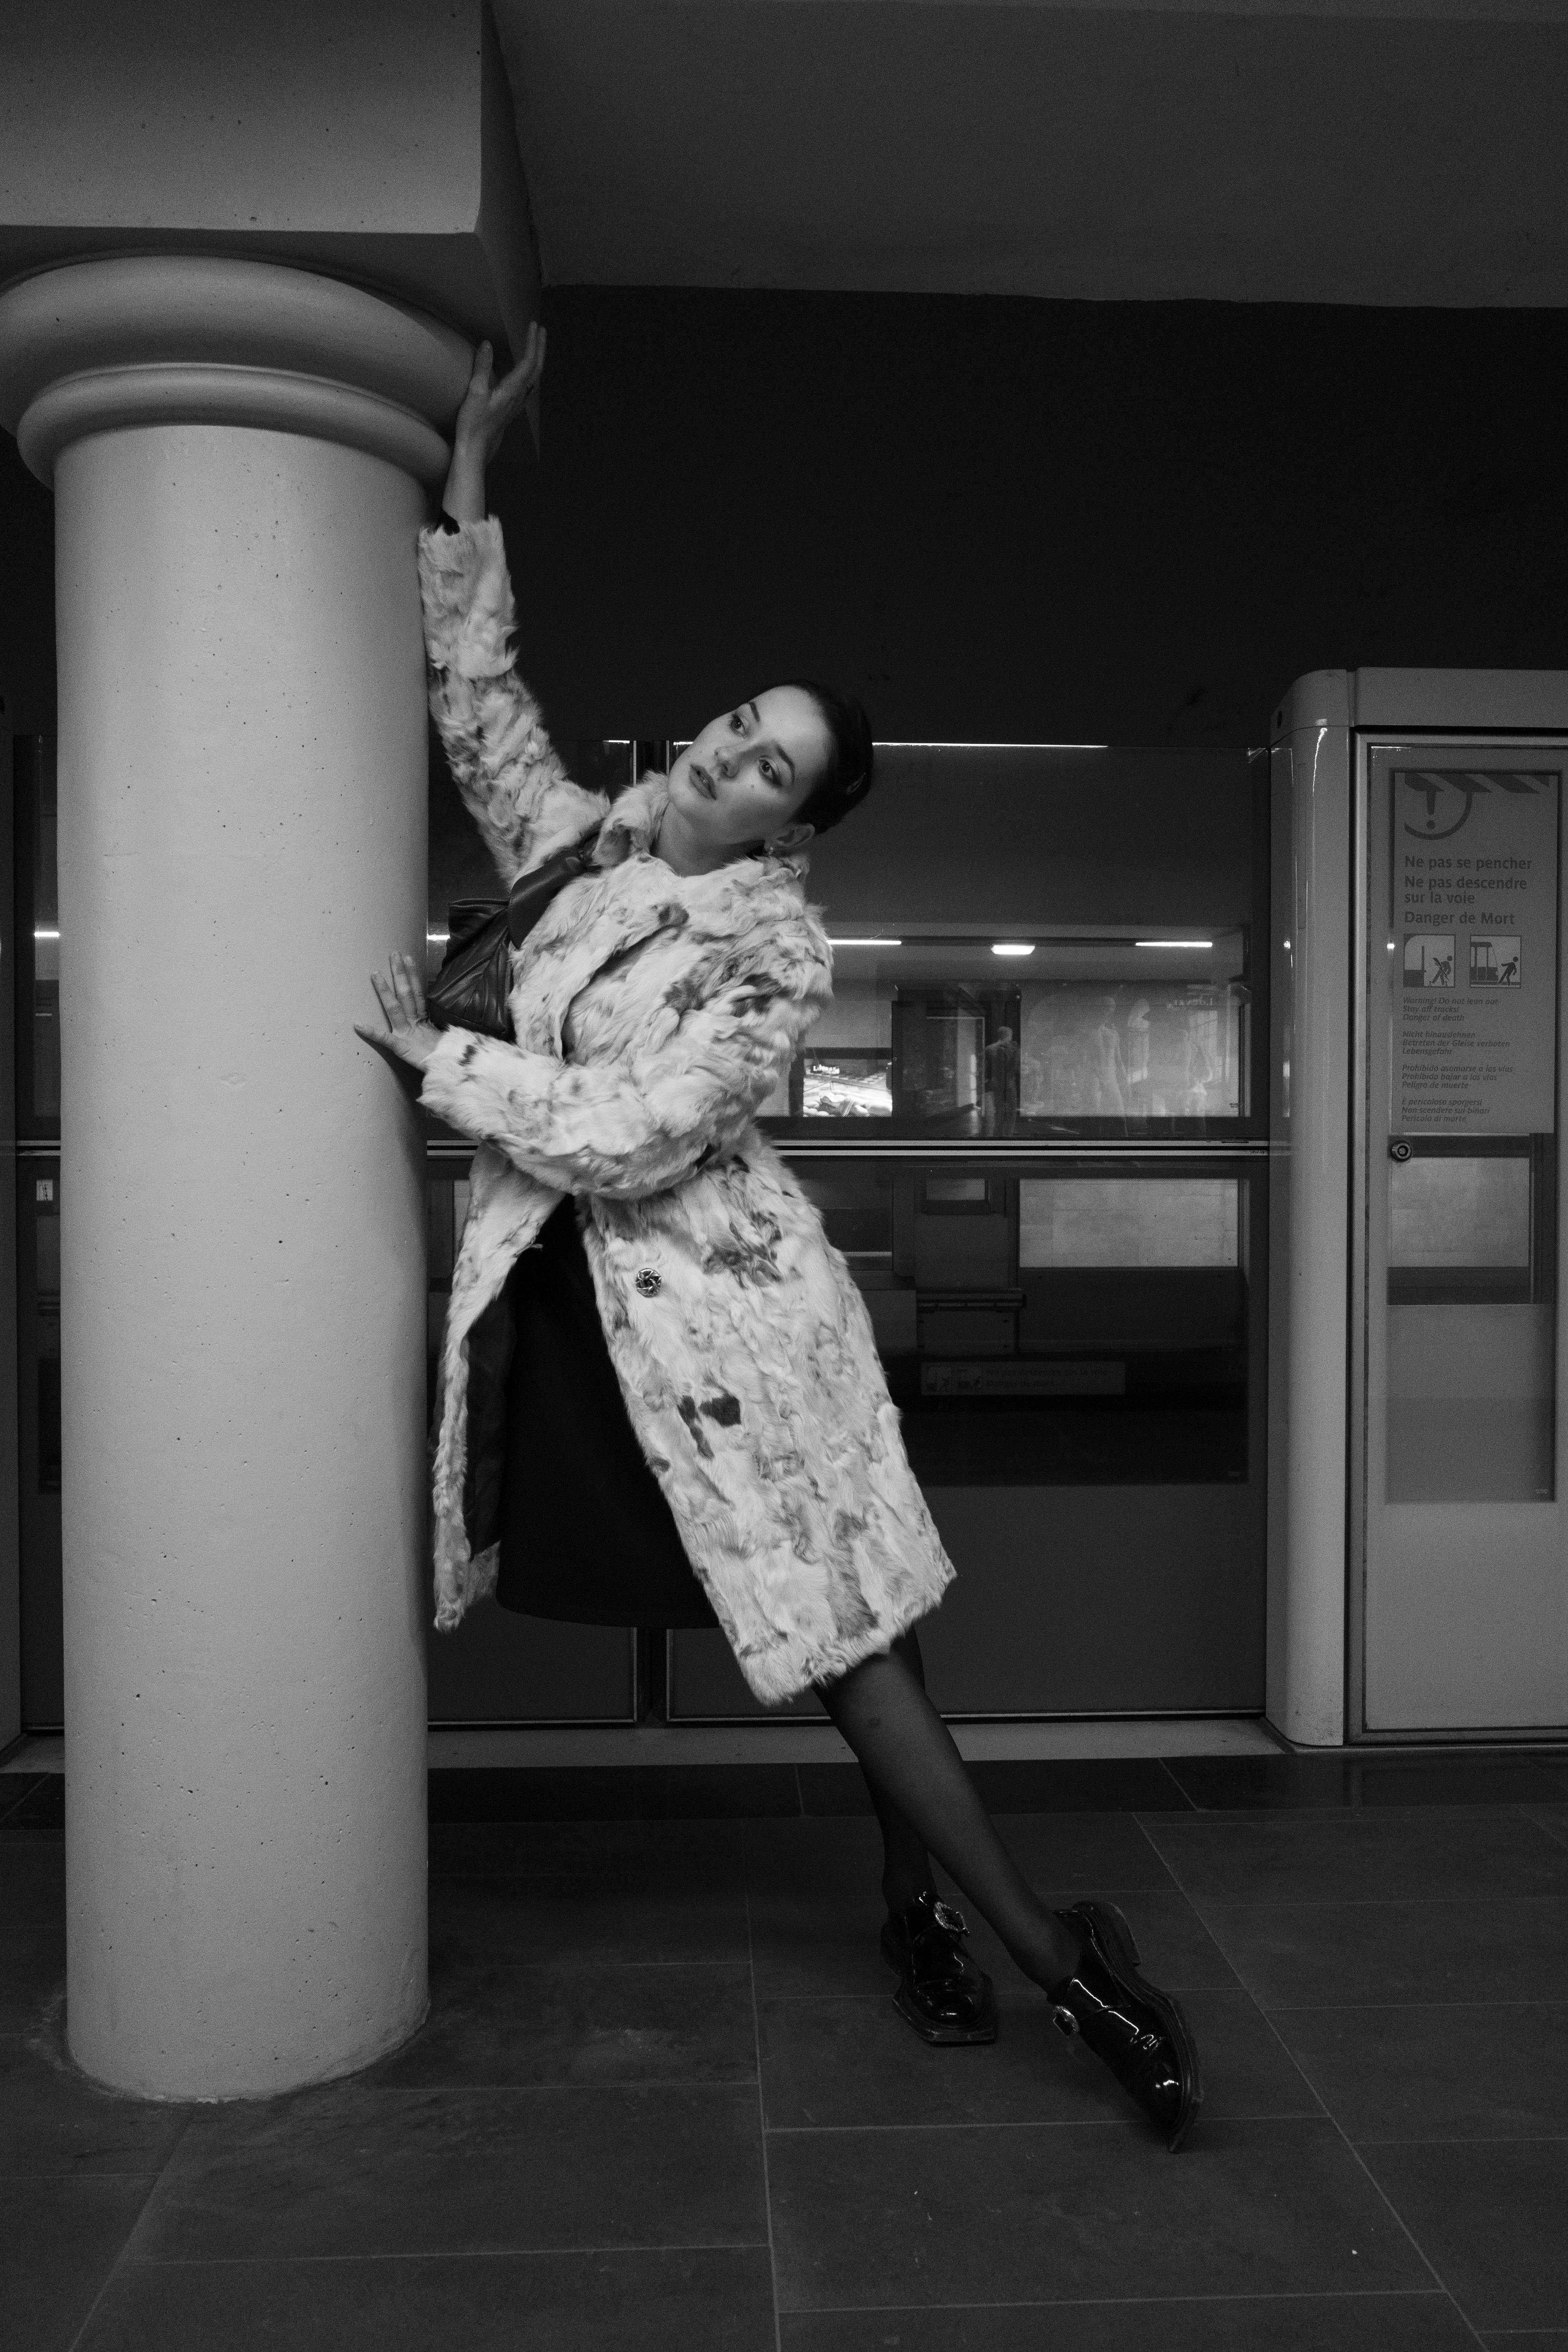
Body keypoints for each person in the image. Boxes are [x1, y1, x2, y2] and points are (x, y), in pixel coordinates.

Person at [356, 330, 1201, 2151]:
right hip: (600, 1318)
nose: (733, 752)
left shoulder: (771, 948)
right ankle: (940, 1915)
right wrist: (469, 475)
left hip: (738, 1324)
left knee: (852, 1640)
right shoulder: (579, 851)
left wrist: (446, 1062)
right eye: (742, 721)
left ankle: (1053, 1955)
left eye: (772, 768)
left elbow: (648, 1127)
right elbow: (480, 702)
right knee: (854, 1626)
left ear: (793, 826)